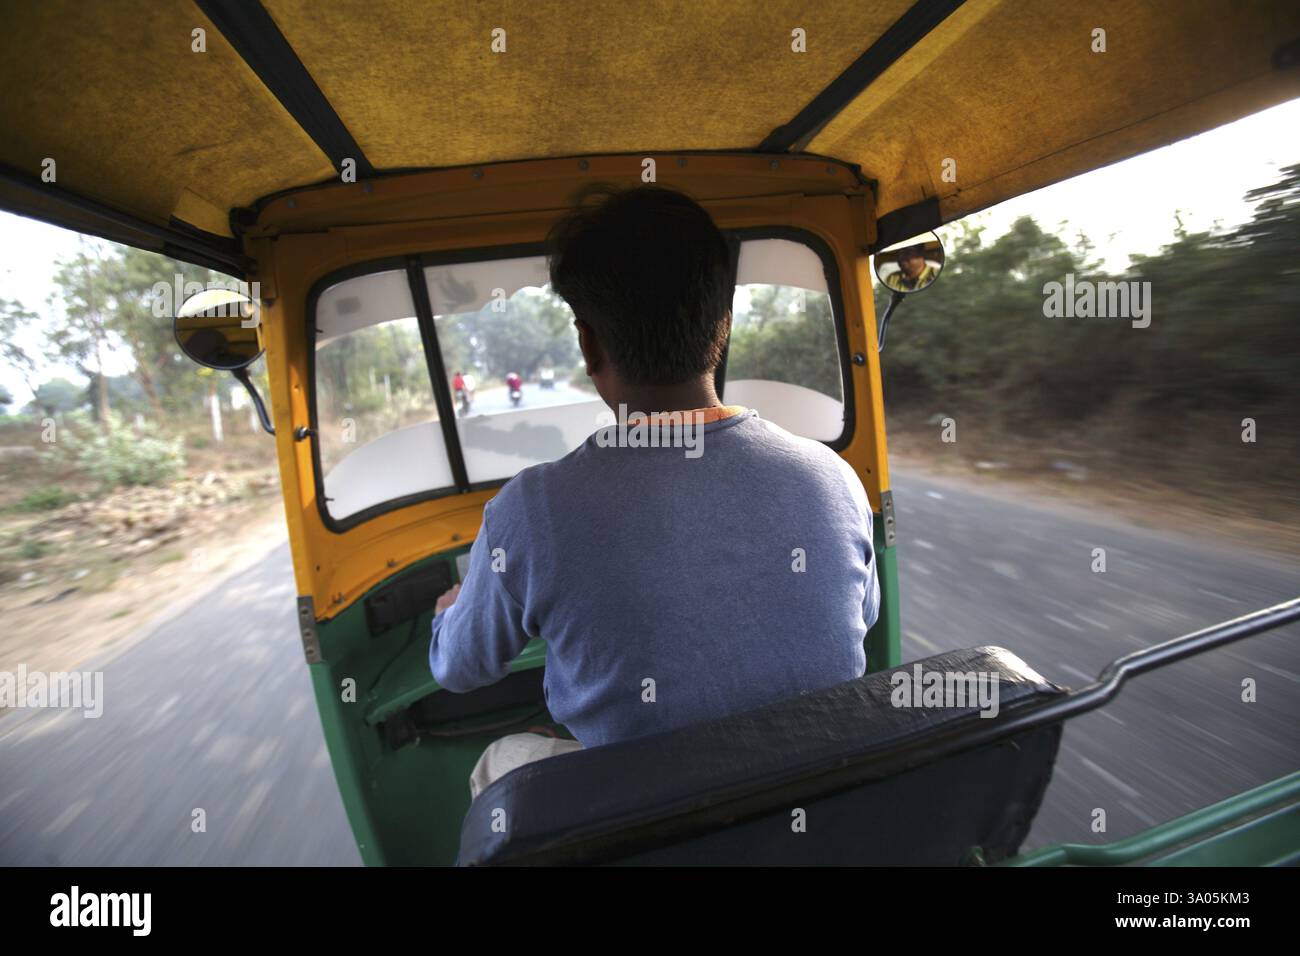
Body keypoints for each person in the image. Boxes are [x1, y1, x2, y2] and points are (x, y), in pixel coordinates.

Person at [430, 185, 880, 799]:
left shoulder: (531, 512)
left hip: (649, 824)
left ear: (590, 345)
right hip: (827, 808)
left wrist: (448, 616)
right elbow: (864, 615)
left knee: (504, 759)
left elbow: (461, 668)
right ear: (722, 325)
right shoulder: (834, 478)